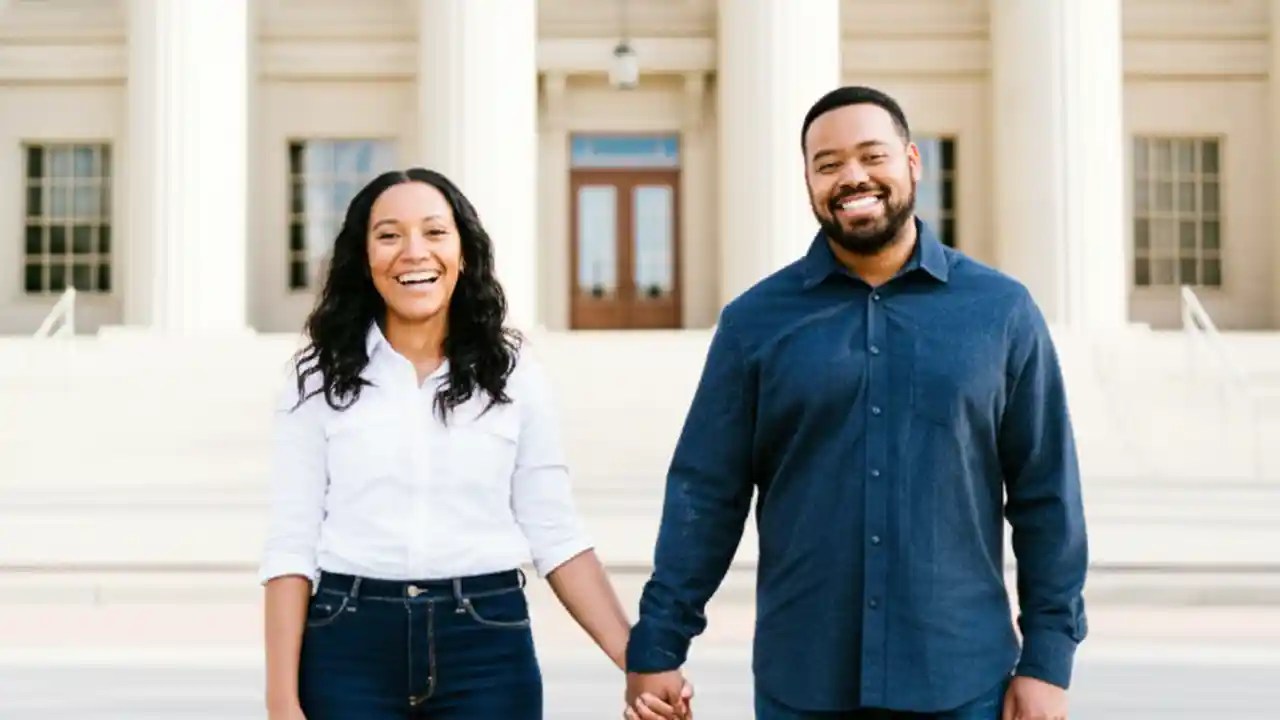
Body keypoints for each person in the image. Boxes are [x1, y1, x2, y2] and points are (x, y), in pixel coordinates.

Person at [622, 86, 1088, 720]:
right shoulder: (754, 323)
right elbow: (706, 495)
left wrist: (1047, 661)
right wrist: (658, 644)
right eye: (828, 163)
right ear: (808, 182)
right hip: (803, 684)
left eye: (872, 155)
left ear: (913, 163)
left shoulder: (1002, 312)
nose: (852, 177)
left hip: (962, 684)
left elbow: (1046, 494)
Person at [259, 168, 692, 719]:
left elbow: (556, 534)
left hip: (486, 648)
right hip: (348, 646)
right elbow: (292, 543)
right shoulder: (316, 381)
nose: (414, 251)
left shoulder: (514, 374)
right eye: (389, 235)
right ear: (363, 259)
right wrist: (281, 700)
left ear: (463, 252)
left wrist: (640, 664)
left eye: (435, 232)